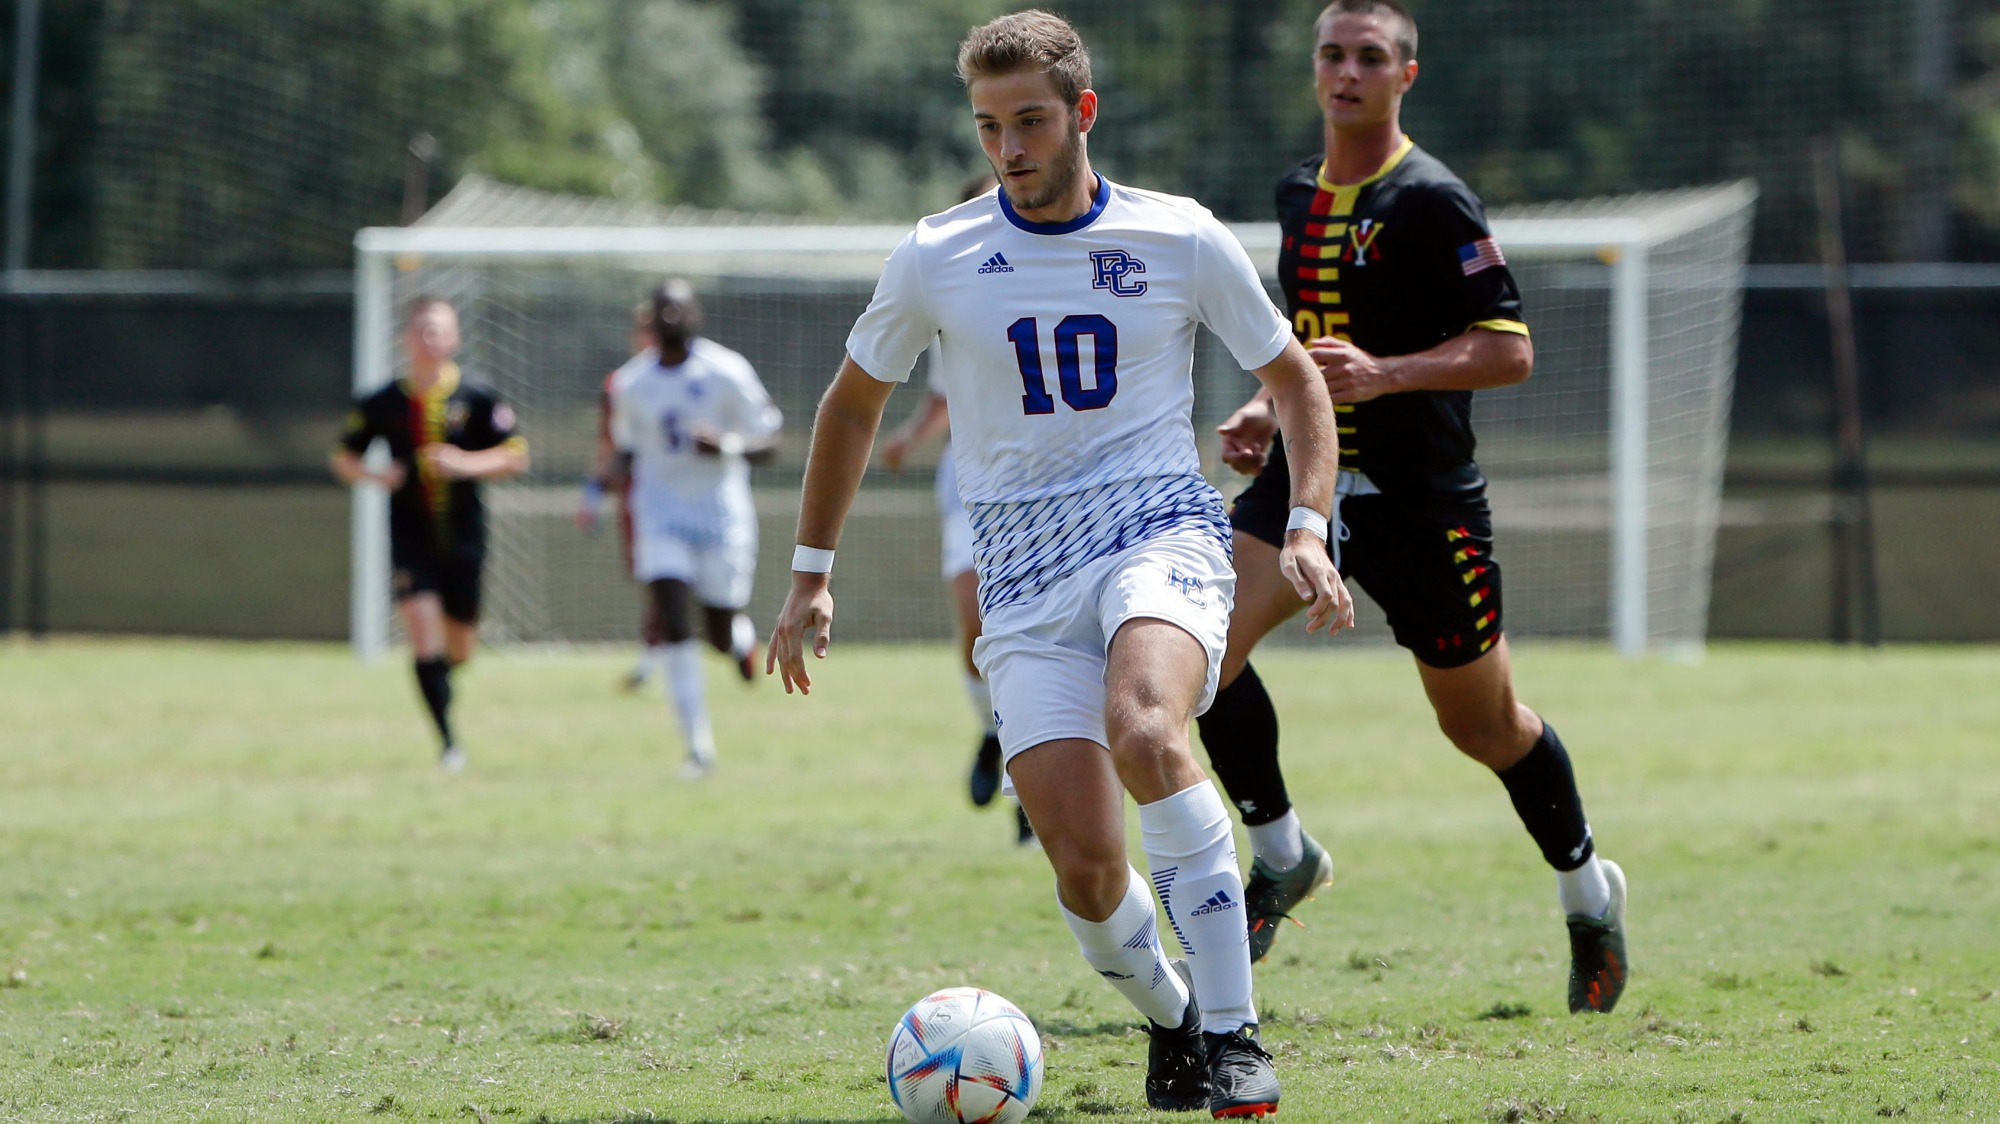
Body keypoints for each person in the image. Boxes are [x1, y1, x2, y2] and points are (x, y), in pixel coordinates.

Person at [769, 11, 1351, 1116]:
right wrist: (809, 569)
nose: (1008, 149)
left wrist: (1310, 524)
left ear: (1081, 112)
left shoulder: (1176, 234)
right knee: (1083, 869)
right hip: (1019, 574)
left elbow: (1295, 381)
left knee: (1146, 727)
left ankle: (1232, 1035)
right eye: (989, 127)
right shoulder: (937, 253)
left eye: (1029, 120)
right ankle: (1175, 1021)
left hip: (1157, 529)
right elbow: (850, 404)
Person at [1195, 0, 1630, 1015]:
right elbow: (1306, 345)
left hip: (1421, 503)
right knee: (1192, 652)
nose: (1345, 72)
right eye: (1331, 54)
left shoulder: (1434, 201)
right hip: (1301, 484)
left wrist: (1387, 374)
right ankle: (1281, 852)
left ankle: (1584, 888)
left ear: (1405, 75)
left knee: (1482, 727)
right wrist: (1266, 404)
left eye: (1368, 57)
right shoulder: (1297, 192)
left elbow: (1509, 349)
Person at [878, 172, 1035, 846]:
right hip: (971, 483)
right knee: (976, 635)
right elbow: (944, 396)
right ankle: (991, 734)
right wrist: (910, 438)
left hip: (1049, 486)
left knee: (1036, 644)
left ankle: (1034, 798)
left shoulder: (1072, 272)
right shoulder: (954, 285)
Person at [332, 296, 529, 771]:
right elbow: (344, 457)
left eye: (439, 330)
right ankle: (449, 744)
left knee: (459, 647)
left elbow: (516, 455)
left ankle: (443, 681)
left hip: (464, 538)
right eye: (422, 329)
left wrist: (463, 464)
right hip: (411, 537)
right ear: (406, 337)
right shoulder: (382, 402)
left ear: (455, 337)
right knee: (422, 629)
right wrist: (379, 476)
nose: (430, 338)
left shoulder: (478, 397)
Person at [611, 279, 782, 778]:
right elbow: (627, 445)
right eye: (662, 308)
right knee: (671, 619)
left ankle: (740, 639)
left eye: (679, 307)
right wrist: (606, 479)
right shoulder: (631, 383)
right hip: (661, 514)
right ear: (649, 318)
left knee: (718, 629)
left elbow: (770, 441)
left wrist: (726, 445)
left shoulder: (726, 370)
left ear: (696, 315)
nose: (670, 316)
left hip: (720, 515)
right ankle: (698, 747)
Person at [580, 300, 666, 692]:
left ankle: (735, 637)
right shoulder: (622, 385)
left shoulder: (704, 375)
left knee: (695, 583)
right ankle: (652, 662)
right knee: (657, 578)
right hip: (641, 498)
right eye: (645, 331)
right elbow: (610, 447)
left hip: (693, 497)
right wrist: (593, 493)